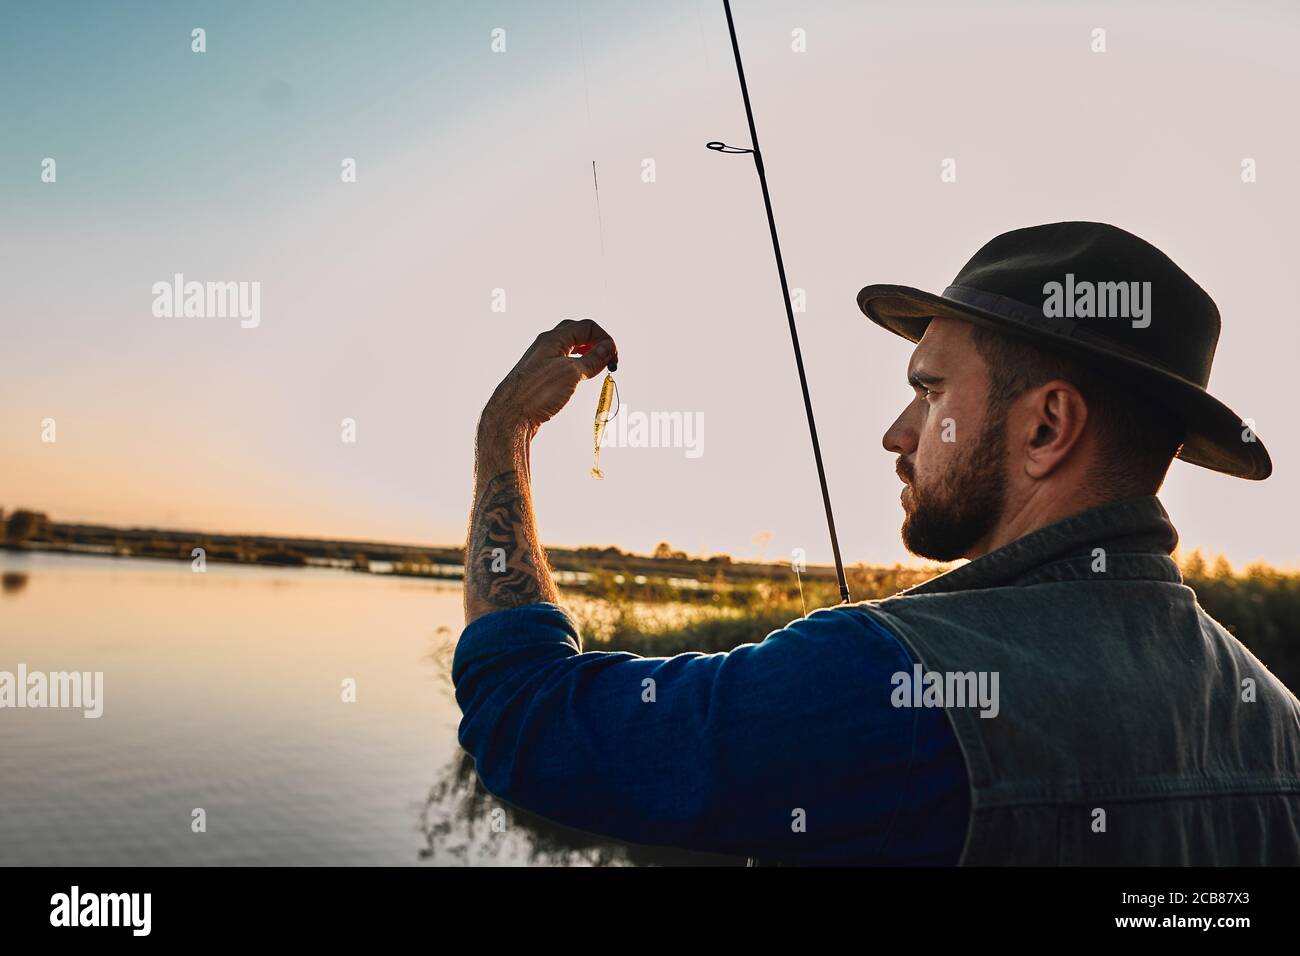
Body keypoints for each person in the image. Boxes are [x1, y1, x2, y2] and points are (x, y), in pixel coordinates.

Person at [454, 221, 1300, 864]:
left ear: (1047, 427)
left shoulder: (884, 680)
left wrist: (507, 436)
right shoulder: (1280, 725)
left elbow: (526, 717)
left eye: (930, 393)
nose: (898, 434)